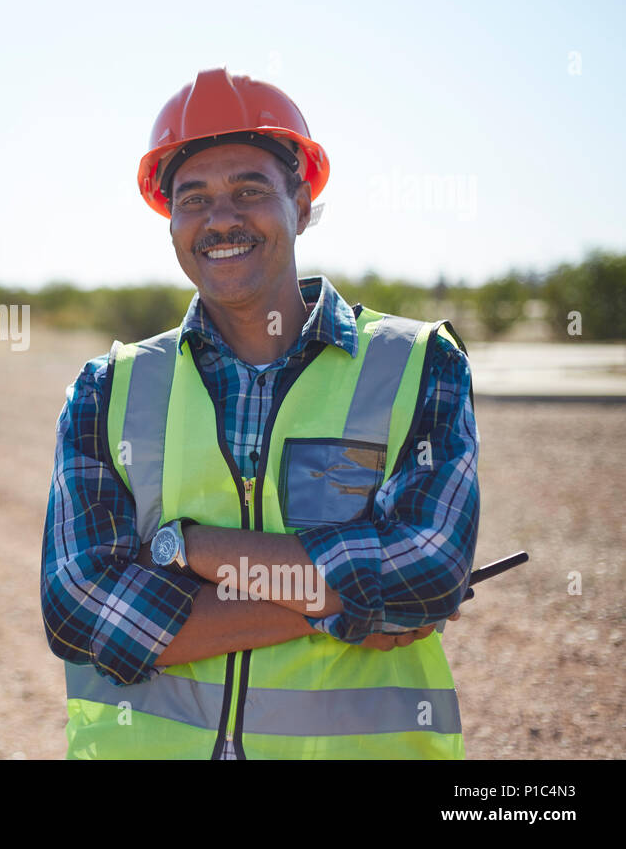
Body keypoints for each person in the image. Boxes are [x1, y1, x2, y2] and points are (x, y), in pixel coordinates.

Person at [40, 67, 480, 759]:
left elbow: (426, 569)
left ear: (300, 204)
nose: (222, 219)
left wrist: (184, 548)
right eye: (195, 199)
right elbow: (84, 613)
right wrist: (336, 606)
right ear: (172, 222)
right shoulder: (109, 389)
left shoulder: (418, 365)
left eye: (249, 190)